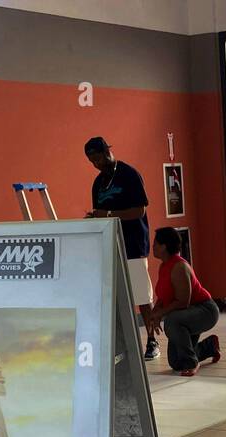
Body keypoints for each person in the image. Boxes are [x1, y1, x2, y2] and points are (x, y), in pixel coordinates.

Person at [84, 136, 158, 359]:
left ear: (108, 152)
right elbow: (100, 213)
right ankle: (121, 344)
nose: (97, 164)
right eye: (92, 162)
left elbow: (139, 211)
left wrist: (107, 215)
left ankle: (152, 340)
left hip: (133, 244)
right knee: (114, 296)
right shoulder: (98, 183)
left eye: (99, 158)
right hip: (111, 244)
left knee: (142, 296)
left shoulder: (128, 174)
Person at [144, 227, 221, 376]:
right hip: (186, 315)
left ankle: (192, 363)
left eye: (155, 244)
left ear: (164, 246)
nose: (152, 247)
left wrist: (161, 313)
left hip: (205, 311)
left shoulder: (179, 266)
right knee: (176, 362)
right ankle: (210, 346)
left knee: (172, 321)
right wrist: (155, 313)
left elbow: (182, 302)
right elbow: (165, 296)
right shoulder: (164, 266)